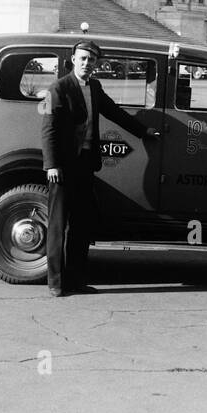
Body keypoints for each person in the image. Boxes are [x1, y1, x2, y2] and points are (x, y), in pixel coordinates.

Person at [40, 39, 159, 297]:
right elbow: (48, 129)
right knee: (59, 225)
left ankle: (77, 280)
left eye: (91, 60)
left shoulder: (94, 86)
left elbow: (113, 112)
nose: (86, 64)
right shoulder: (57, 89)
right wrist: (52, 164)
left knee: (82, 224)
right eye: (82, 59)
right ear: (73, 60)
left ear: (96, 63)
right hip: (62, 167)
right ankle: (56, 283)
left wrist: (142, 131)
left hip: (85, 164)